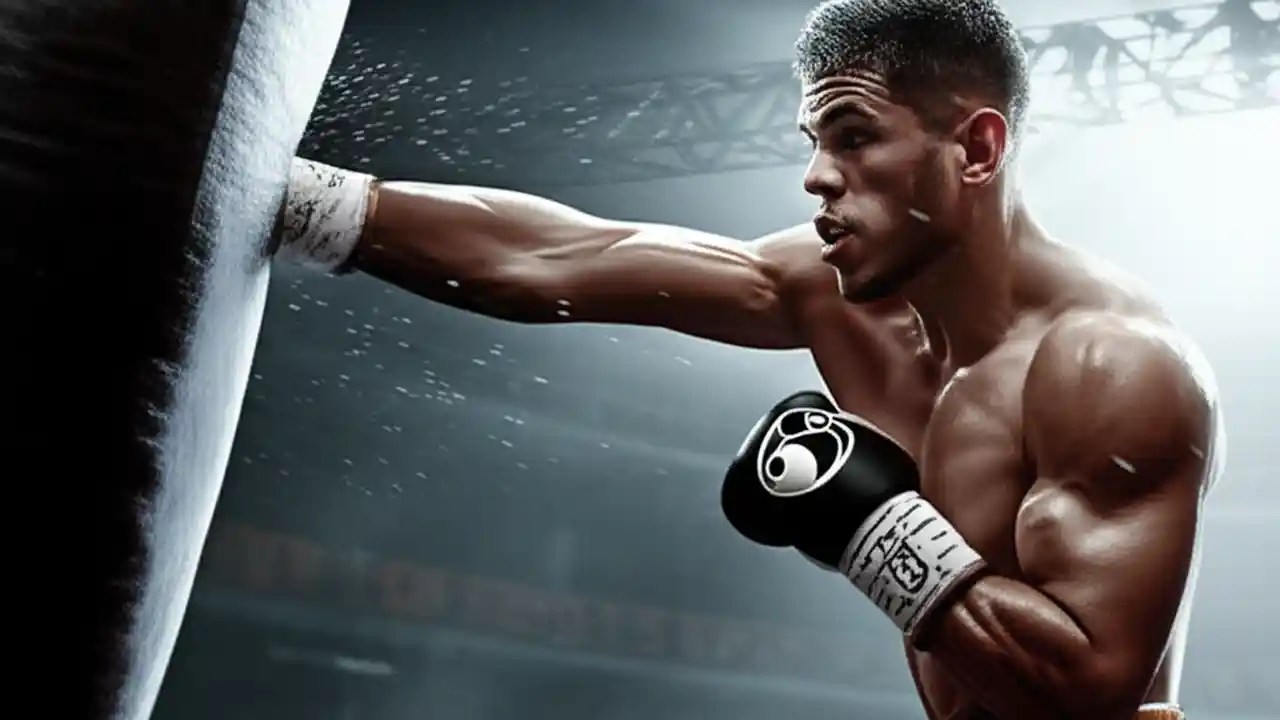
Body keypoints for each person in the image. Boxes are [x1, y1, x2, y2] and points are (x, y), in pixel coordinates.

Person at [279, 2, 1222, 718]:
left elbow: (1089, 690)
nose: (816, 176)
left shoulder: (1106, 366)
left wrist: (873, 527)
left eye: (854, 139)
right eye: (815, 144)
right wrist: (305, 203)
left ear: (975, 149)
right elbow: (554, 260)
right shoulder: (830, 292)